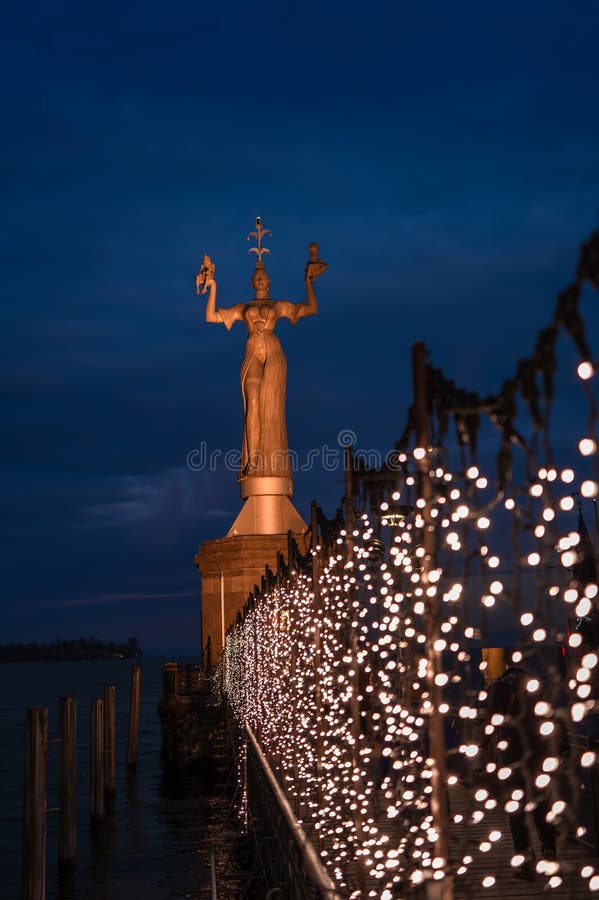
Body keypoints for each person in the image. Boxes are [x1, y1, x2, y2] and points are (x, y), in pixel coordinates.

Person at [203, 259, 320, 480]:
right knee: (253, 400)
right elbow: (211, 317)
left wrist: (308, 281)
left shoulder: (278, 306)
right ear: (251, 282)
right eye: (256, 277)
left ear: (269, 280)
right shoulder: (243, 308)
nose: (259, 279)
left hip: (273, 351)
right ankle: (253, 460)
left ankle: (270, 461)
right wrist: (213, 286)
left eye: (262, 276)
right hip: (252, 352)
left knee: (271, 406)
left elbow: (311, 308)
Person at [484, 659, 568, 881]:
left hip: (511, 757)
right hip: (538, 755)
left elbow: (488, 723)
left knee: (517, 812)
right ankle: (549, 854)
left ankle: (525, 861)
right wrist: (562, 748)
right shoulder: (538, 685)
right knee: (541, 808)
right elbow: (555, 719)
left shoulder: (497, 689)